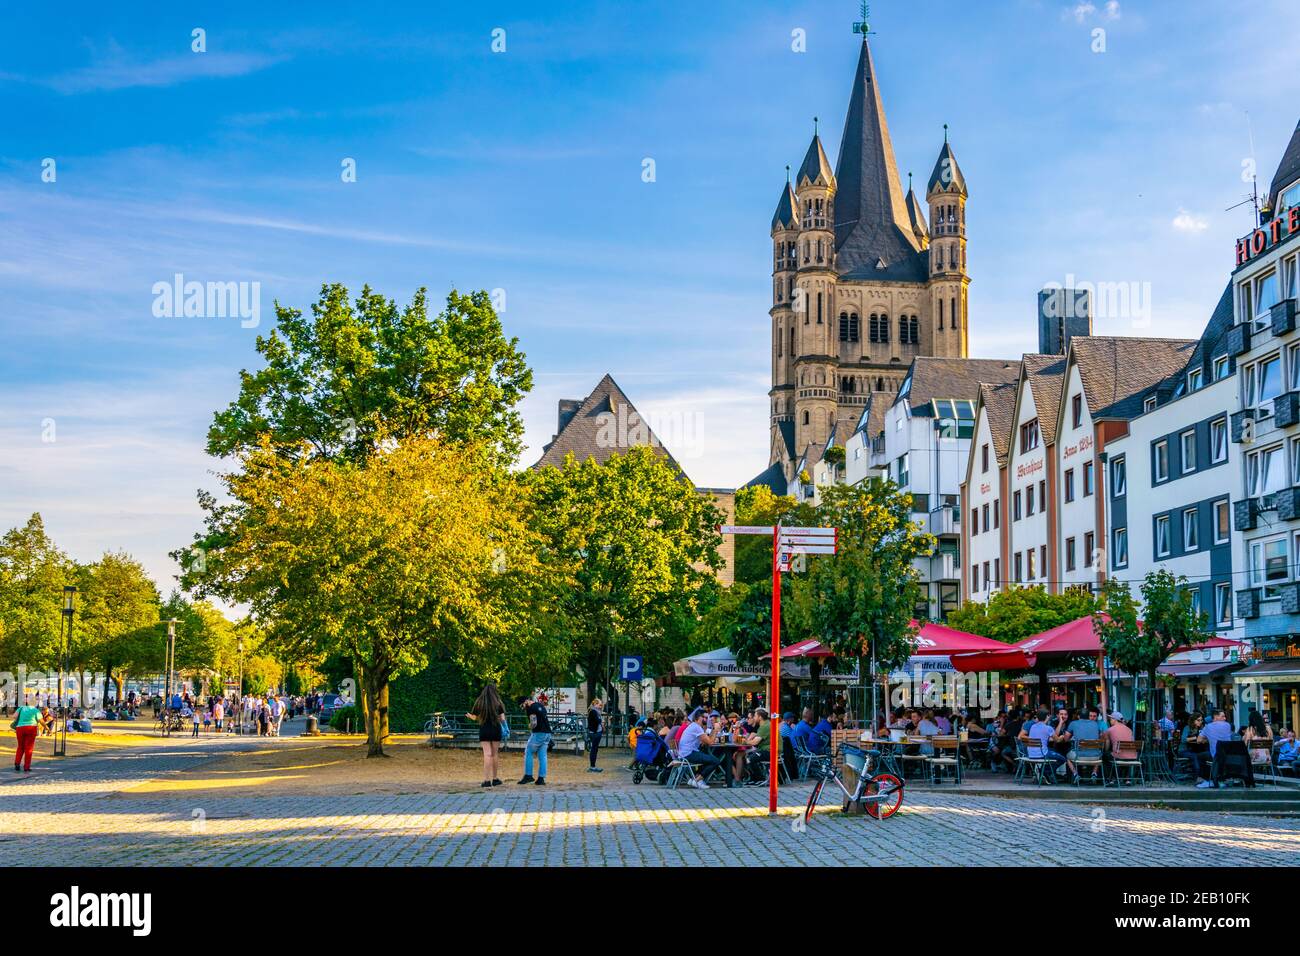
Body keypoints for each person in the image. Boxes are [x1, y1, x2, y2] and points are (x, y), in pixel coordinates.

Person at [466, 683, 506, 787]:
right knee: (495, 754)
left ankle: (486, 780)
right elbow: (502, 719)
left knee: (487, 754)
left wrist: (470, 716)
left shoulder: (479, 702)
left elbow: (475, 717)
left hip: (484, 730)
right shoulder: (498, 702)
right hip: (496, 729)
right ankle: (495, 779)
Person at [677, 710, 728, 790]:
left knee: (706, 755)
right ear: (697, 718)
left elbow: (707, 741)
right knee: (715, 761)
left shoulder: (695, 726)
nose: (705, 719)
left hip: (685, 753)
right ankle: (697, 780)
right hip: (688, 754)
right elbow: (710, 742)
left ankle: (698, 779)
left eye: (706, 717)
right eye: (703, 717)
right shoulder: (696, 727)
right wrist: (715, 730)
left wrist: (713, 731)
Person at [1020, 706, 1072, 778]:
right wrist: (1062, 737)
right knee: (1062, 758)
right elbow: (1057, 740)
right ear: (1047, 716)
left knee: (1053, 751)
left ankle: (1045, 773)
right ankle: (1044, 771)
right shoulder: (1048, 728)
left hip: (1031, 754)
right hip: (1042, 754)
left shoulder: (1033, 726)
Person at [518, 693, 552, 785]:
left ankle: (528, 776)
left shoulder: (530, 708)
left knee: (528, 751)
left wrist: (529, 726)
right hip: (547, 733)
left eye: (522, 705)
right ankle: (541, 778)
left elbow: (533, 723)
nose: (522, 708)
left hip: (539, 733)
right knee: (542, 755)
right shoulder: (540, 705)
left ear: (526, 701)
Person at [1194, 709, 1234, 789]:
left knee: (1198, 756)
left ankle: (1205, 778)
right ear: (1215, 717)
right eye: (1222, 716)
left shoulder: (1208, 727)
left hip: (1215, 755)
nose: (1225, 718)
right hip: (1228, 755)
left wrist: (1207, 738)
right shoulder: (1228, 725)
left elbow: (1198, 740)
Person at [11, 699, 41, 772]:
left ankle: (17, 763)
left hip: (20, 728)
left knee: (20, 746)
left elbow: (14, 717)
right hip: (31, 728)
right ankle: (26, 767)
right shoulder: (35, 710)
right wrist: (47, 728)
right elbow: (40, 720)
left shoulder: (21, 708)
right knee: (29, 748)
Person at [586, 698, 605, 773]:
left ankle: (593, 766)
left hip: (595, 732)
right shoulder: (594, 711)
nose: (600, 706)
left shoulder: (594, 711)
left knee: (594, 749)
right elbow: (598, 721)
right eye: (599, 705)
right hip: (595, 732)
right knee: (594, 749)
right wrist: (602, 721)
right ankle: (592, 766)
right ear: (595, 704)